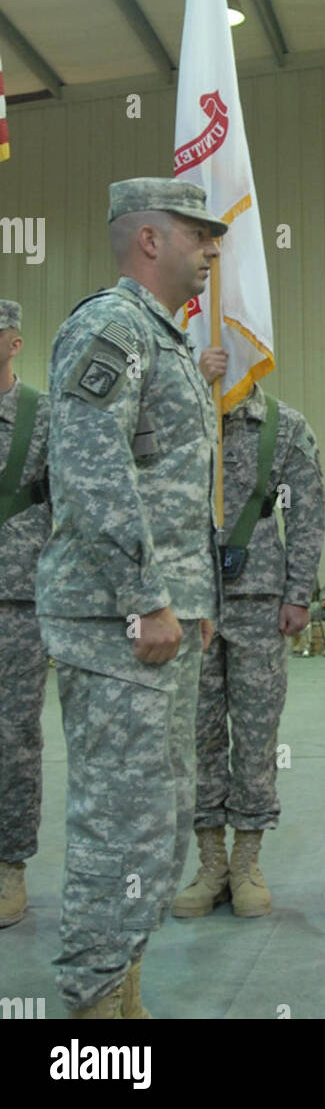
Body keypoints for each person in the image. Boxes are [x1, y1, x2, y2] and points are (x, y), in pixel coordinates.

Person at [36, 177, 224, 1019]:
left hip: (158, 622)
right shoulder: (110, 328)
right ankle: (91, 1010)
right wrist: (147, 597)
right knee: (120, 821)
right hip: (118, 624)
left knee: (159, 814)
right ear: (149, 239)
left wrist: (193, 597)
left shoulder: (166, 339)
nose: (212, 248)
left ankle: (121, 984)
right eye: (198, 233)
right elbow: (89, 467)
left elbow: (172, 487)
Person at [172, 359, 325, 919]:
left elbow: (307, 511)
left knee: (258, 733)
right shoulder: (176, 414)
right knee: (198, 735)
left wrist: (299, 593)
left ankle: (247, 862)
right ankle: (210, 863)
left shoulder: (284, 426)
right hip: (189, 600)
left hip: (260, 600)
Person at [0, 300, 51, 928]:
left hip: (19, 600)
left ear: (13, 342)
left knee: (13, 738)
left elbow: (75, 496)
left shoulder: (42, 417)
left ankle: (9, 865)